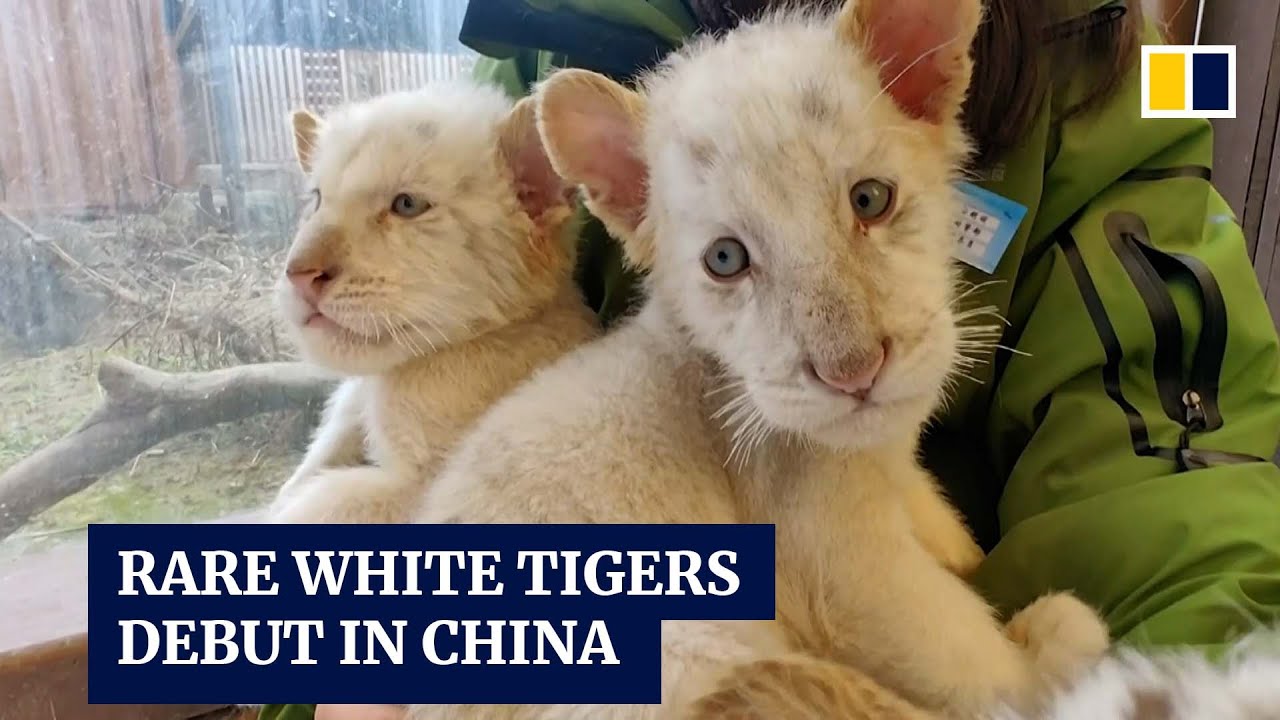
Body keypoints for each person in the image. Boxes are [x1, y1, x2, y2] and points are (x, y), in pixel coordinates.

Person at [262, 1, 1280, 718]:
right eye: (725, 258)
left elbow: (1176, 463)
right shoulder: (534, 45)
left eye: (870, 202)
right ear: (626, 202)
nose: (847, 353)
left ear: (928, 68)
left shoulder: (1124, 58)